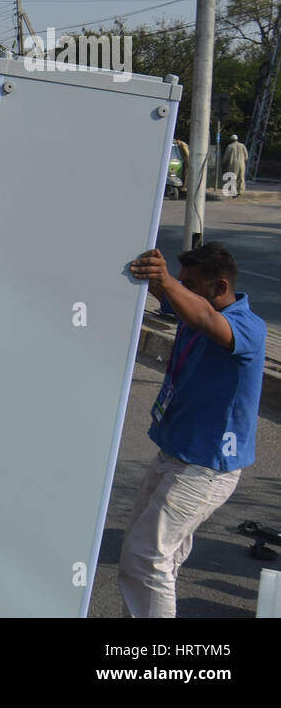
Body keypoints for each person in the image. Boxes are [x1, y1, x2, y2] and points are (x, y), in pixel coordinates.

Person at [121, 242, 266, 617]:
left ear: (220, 287)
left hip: (205, 469)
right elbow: (168, 295)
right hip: (175, 455)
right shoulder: (195, 305)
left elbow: (202, 317)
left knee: (147, 558)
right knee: (151, 558)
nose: (181, 289)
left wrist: (168, 281)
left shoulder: (246, 327)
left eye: (190, 284)